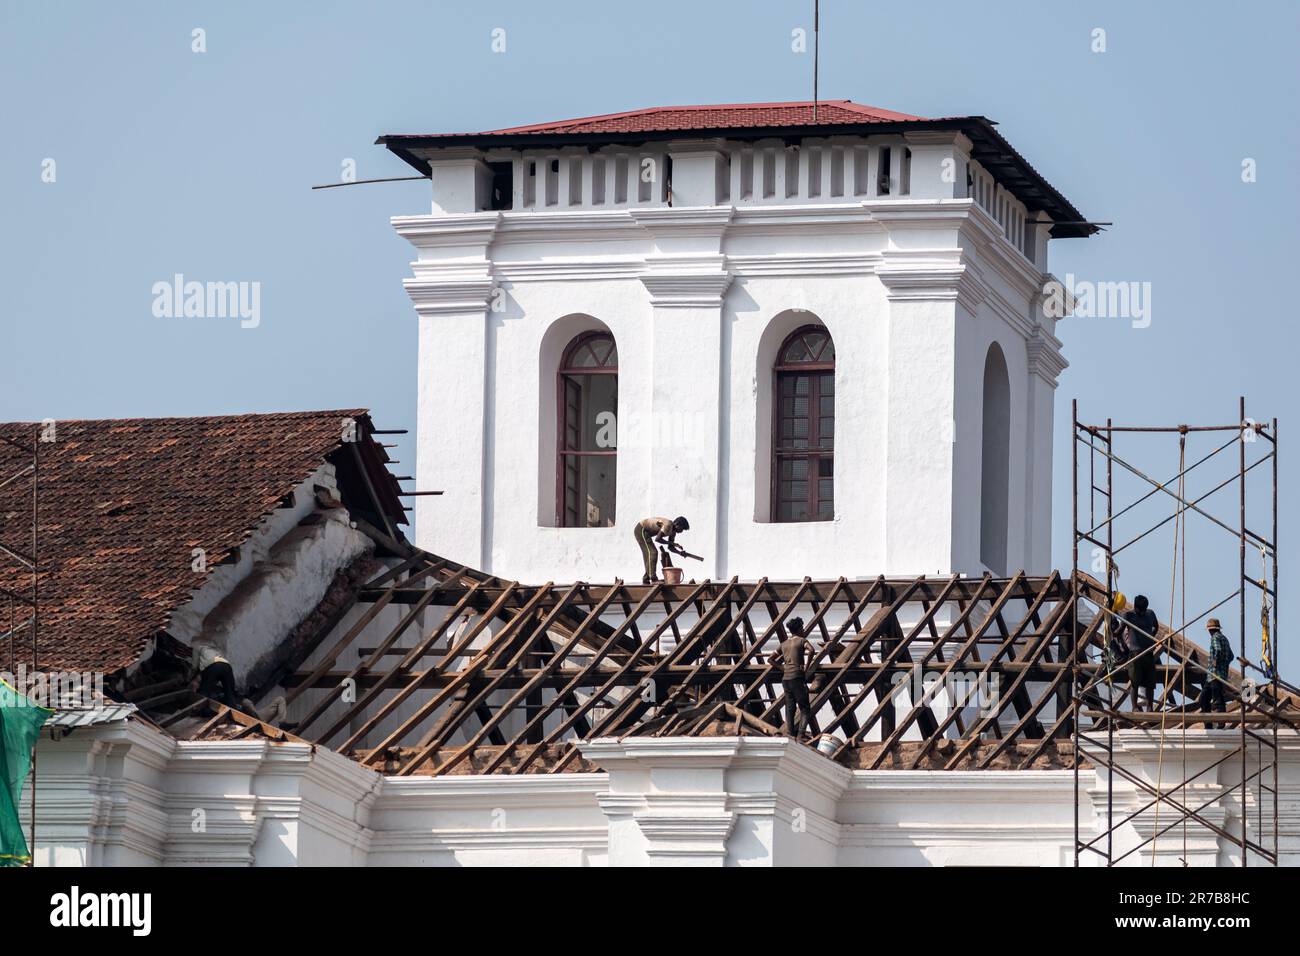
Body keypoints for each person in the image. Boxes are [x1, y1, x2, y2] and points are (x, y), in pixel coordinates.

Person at [767, 617, 816, 738]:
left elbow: (770, 659)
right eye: (802, 628)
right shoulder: (801, 641)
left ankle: (789, 733)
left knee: (790, 707)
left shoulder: (783, 644)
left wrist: (783, 668)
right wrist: (806, 666)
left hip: (786, 679)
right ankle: (801, 734)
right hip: (797, 678)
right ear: (799, 629)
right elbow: (811, 650)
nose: (803, 630)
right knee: (805, 708)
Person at [1121, 594, 1160, 712]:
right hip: (1135, 653)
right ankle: (1134, 707)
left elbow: (1156, 627)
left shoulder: (1150, 614)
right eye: (1140, 610)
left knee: (1150, 682)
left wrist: (1151, 637)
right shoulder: (1129, 616)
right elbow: (1119, 631)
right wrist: (1123, 644)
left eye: (1144, 610)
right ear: (1135, 607)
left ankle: (1149, 707)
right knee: (1135, 682)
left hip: (1148, 652)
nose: (1142, 613)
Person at [1199, 617, 1234, 724]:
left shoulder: (1215, 637)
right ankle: (1212, 723)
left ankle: (1219, 722)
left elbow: (1217, 649)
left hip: (1214, 674)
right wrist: (1224, 664)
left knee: (1213, 699)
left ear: (1211, 629)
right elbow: (1231, 656)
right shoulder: (1224, 638)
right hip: (1217, 675)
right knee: (1209, 698)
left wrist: (1215, 662)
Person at [634, 515, 689, 584]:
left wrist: (680, 553)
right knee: (653, 552)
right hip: (641, 529)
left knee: (648, 555)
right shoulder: (668, 525)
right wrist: (673, 543)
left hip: (646, 533)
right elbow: (658, 539)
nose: (681, 531)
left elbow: (670, 547)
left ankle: (646, 578)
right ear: (677, 524)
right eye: (682, 528)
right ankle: (653, 579)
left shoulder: (673, 532)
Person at [190, 636, 239, 709]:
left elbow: (194, 665)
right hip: (226, 665)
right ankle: (233, 711)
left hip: (212, 666)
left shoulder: (197, 647)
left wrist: (191, 676)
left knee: (204, 692)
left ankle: (199, 710)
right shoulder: (214, 648)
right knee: (229, 693)